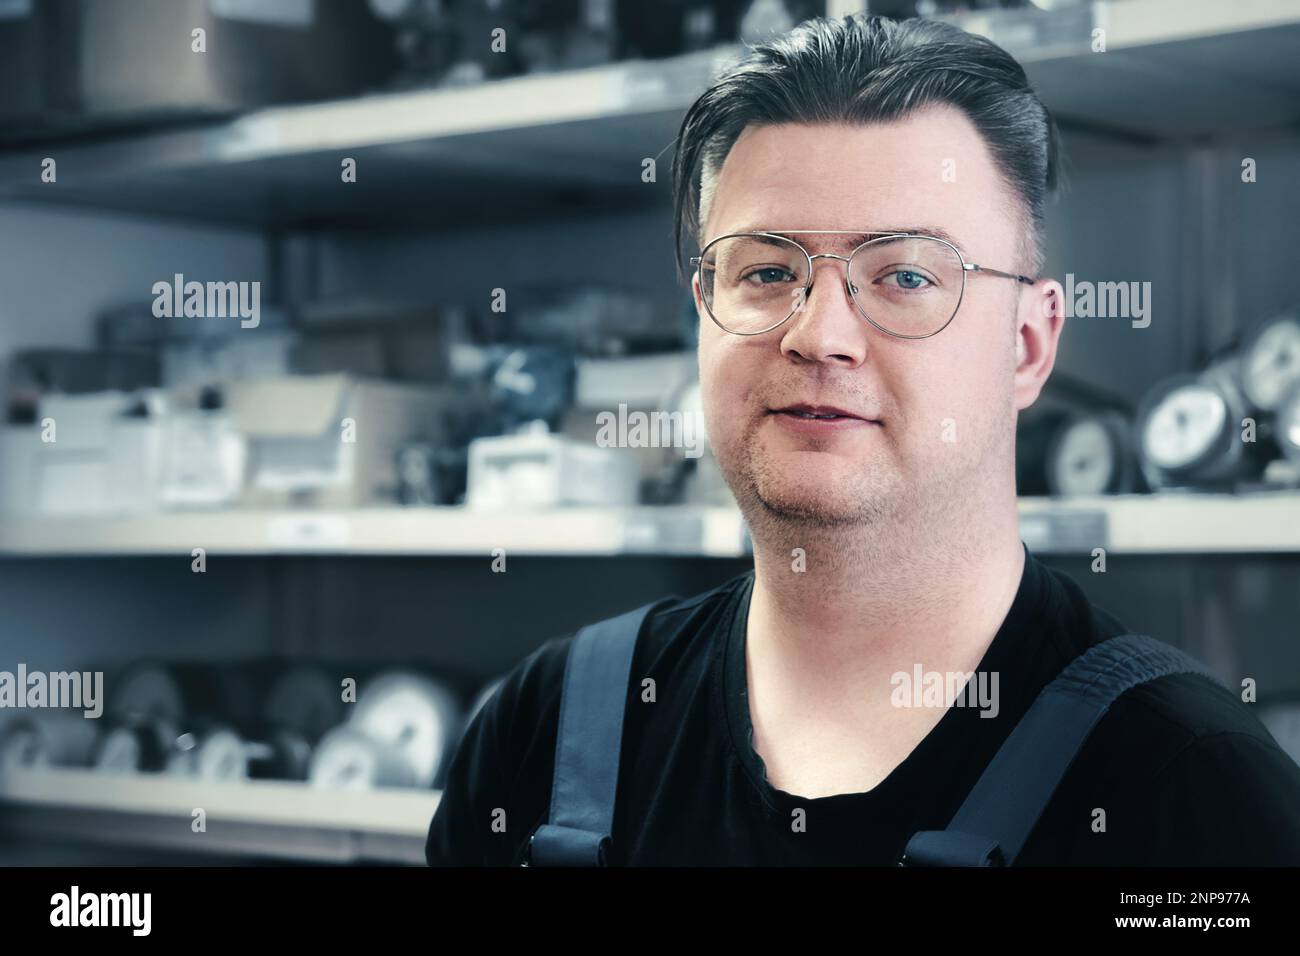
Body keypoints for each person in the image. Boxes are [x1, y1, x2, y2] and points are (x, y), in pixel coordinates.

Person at [426, 13, 1300, 866]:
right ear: (703, 315)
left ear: (1028, 345)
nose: (819, 334)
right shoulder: (541, 736)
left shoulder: (1193, 789)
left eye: (906, 275)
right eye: (767, 272)